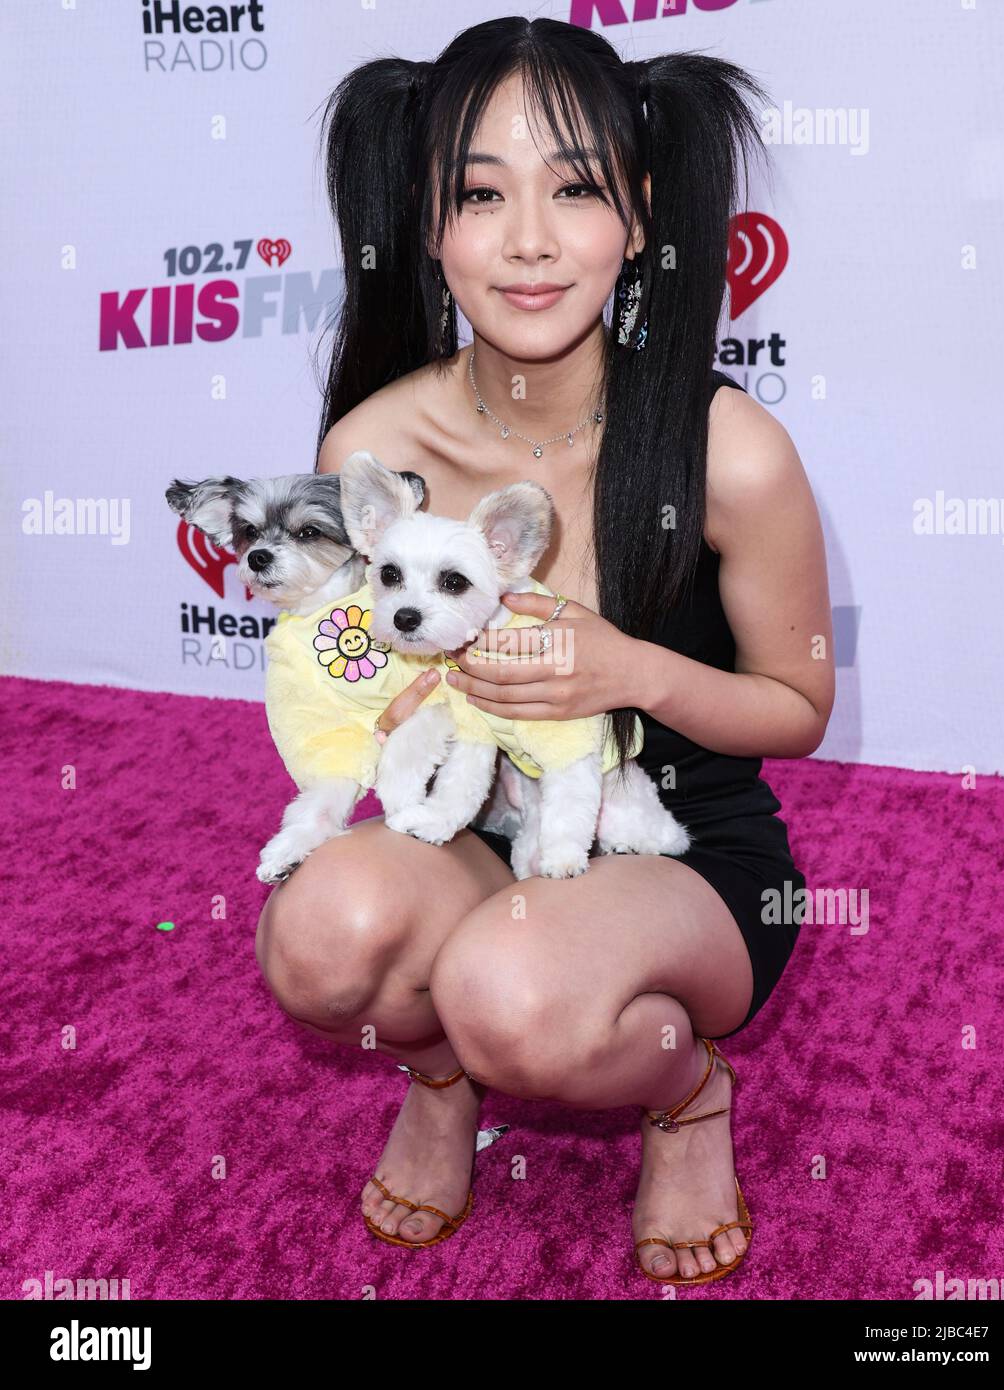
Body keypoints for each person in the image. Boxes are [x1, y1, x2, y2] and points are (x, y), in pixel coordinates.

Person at [255, 16, 833, 1287]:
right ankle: (441, 1074)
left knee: (520, 993)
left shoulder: (727, 449)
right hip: (461, 823)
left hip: (672, 839)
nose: (527, 237)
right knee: (319, 938)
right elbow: (356, 677)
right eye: (479, 192)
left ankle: (686, 1097)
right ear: (426, 224)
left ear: (637, 216)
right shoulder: (373, 447)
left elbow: (795, 704)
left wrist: (631, 671)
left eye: (574, 187)